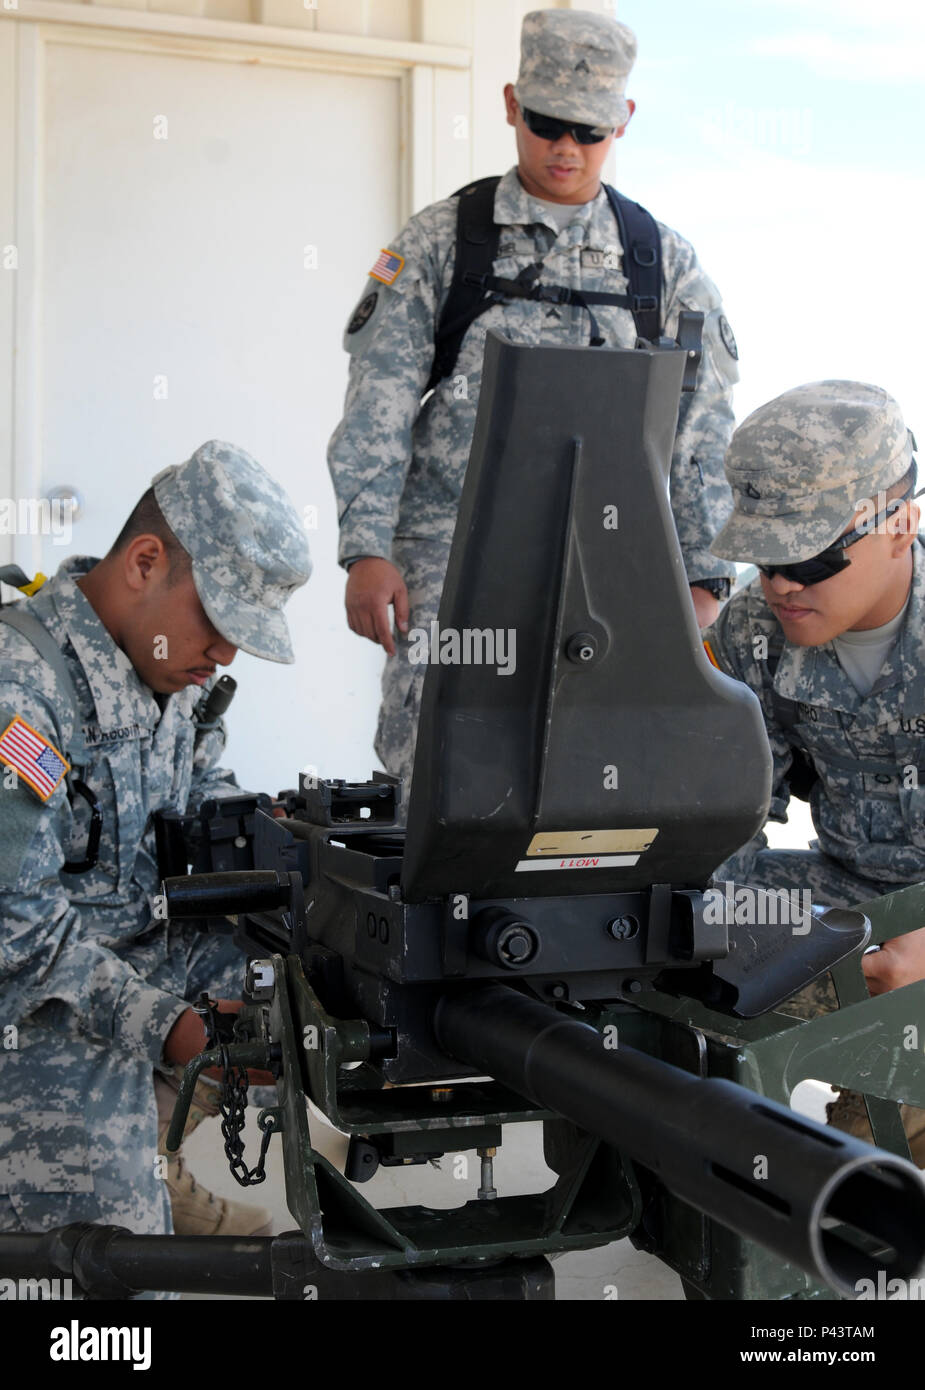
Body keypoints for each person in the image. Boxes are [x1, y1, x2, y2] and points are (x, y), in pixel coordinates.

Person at [328, 8, 740, 787]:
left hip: (613, 561)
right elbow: (377, 400)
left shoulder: (663, 263)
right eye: (547, 122)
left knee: (600, 766)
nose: (565, 148)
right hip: (453, 550)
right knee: (437, 761)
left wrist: (705, 575)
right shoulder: (442, 241)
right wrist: (367, 548)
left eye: (589, 131)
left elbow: (699, 428)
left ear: (623, 121)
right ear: (512, 103)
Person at [0, 440, 311, 1249]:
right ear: (145, 562)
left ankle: (152, 1151)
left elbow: (192, 791)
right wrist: (171, 1027)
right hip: (27, 990)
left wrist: (286, 840)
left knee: (305, 990)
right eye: (217, 621)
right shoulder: (20, 692)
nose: (226, 654)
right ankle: (123, 1184)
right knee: (117, 1263)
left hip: (125, 944)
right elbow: (17, 930)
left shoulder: (164, 664)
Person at [702, 380, 925, 1162]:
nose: (782, 583)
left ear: (901, 523)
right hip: (858, 891)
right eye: (763, 556)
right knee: (652, 921)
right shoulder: (750, 630)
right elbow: (723, 818)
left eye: (808, 553)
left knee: (872, 1198)